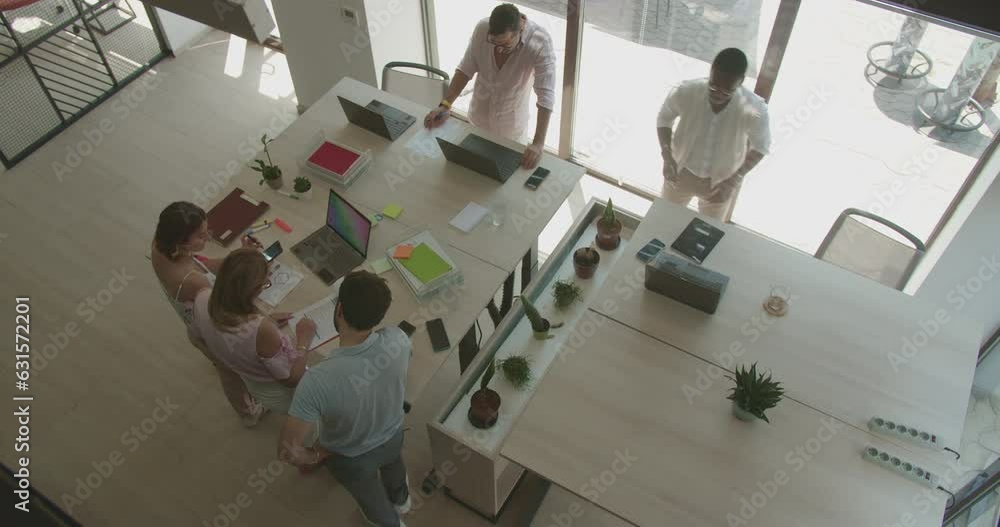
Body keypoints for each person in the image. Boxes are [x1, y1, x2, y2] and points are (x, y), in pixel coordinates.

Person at [278, 271, 411, 527]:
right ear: (380, 315)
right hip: (393, 435)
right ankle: (401, 499)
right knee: (395, 466)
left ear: (339, 310)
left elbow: (288, 451)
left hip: (351, 459)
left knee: (372, 501)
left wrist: (315, 456)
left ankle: (390, 522)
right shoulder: (399, 339)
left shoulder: (317, 381)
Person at [151, 201, 265, 427]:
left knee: (222, 364)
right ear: (180, 242)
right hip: (209, 329)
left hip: (195, 319)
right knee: (229, 372)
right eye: (201, 236)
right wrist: (263, 315)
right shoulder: (193, 282)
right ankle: (248, 413)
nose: (209, 237)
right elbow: (230, 307)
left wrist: (241, 255)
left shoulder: (160, 245)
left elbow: (203, 264)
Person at [424, 3, 556, 169]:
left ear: (520, 30)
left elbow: (546, 97)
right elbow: (465, 69)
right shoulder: (482, 29)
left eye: (506, 45)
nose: (499, 50)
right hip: (476, 123)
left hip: (510, 133)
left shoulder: (540, 42)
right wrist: (445, 105)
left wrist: (538, 143)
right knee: (470, 175)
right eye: (494, 42)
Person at [190, 249, 318, 414]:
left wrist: (268, 320)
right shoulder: (262, 331)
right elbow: (292, 379)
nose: (266, 286)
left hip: (250, 379)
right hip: (280, 393)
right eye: (265, 284)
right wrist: (303, 341)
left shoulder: (202, 297)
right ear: (252, 290)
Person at [657, 48, 771, 220]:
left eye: (726, 92)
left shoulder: (755, 108)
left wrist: (733, 181)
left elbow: (761, 146)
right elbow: (664, 119)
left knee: (707, 232)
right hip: (680, 172)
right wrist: (667, 156)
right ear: (711, 71)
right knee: (664, 219)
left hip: (721, 182)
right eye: (713, 86)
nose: (718, 94)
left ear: (740, 82)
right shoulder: (687, 90)